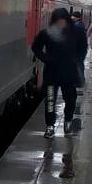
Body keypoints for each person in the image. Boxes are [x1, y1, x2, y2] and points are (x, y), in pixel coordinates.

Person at [32, 7, 84, 138]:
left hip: (69, 73)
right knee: (50, 101)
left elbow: (83, 49)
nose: (60, 23)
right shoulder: (47, 33)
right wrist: (46, 59)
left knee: (71, 99)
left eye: (63, 20)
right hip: (51, 74)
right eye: (58, 20)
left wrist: (76, 61)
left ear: (67, 20)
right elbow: (35, 47)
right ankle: (50, 126)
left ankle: (68, 120)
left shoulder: (77, 33)